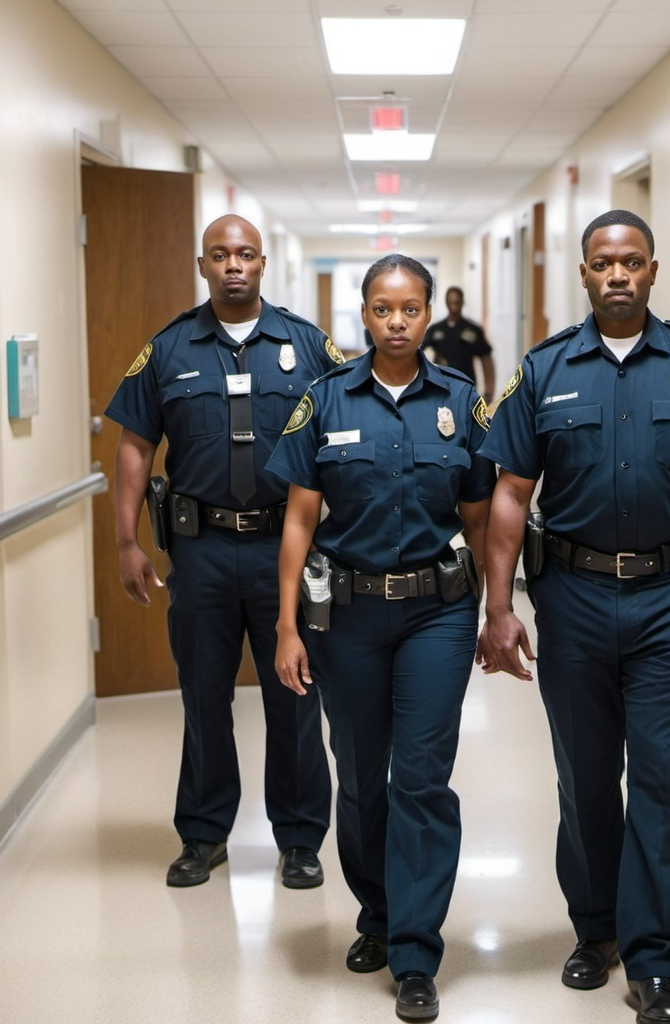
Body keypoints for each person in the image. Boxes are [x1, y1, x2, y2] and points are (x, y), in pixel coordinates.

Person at [476, 210, 670, 1024]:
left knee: (661, 777)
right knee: (583, 779)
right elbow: (510, 494)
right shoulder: (543, 371)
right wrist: (498, 605)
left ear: (654, 270)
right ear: (583, 274)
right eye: (604, 263)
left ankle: (652, 960)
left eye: (633, 261)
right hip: (572, 600)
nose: (618, 274)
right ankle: (596, 928)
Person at [269, 254, 494, 1022]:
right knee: (361, 777)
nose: (396, 321)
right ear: (361, 315)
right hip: (350, 617)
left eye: (409, 308)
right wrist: (285, 624)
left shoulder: (462, 403)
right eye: (381, 308)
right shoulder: (324, 400)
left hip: (437, 611)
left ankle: (415, 949)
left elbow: (476, 519)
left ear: (429, 312)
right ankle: (377, 913)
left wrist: (493, 613)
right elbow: (299, 519)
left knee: (421, 779)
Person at [104, 214, 340, 890]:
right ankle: (204, 834)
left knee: (294, 695)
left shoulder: (308, 345)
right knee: (203, 696)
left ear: (263, 264)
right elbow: (133, 446)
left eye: (245, 254)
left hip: (284, 551)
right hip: (201, 551)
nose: (233, 265)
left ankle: (299, 839)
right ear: (202, 265)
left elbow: (345, 436)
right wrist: (126, 540)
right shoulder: (170, 349)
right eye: (220, 255)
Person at [423, 286, 496, 403]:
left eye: (457, 302)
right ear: (446, 303)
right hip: (440, 388)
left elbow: (486, 359)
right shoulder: (436, 330)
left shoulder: (473, 330)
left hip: (465, 387)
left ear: (462, 302)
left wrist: (489, 391)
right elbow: (417, 351)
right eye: (451, 302)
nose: (454, 306)